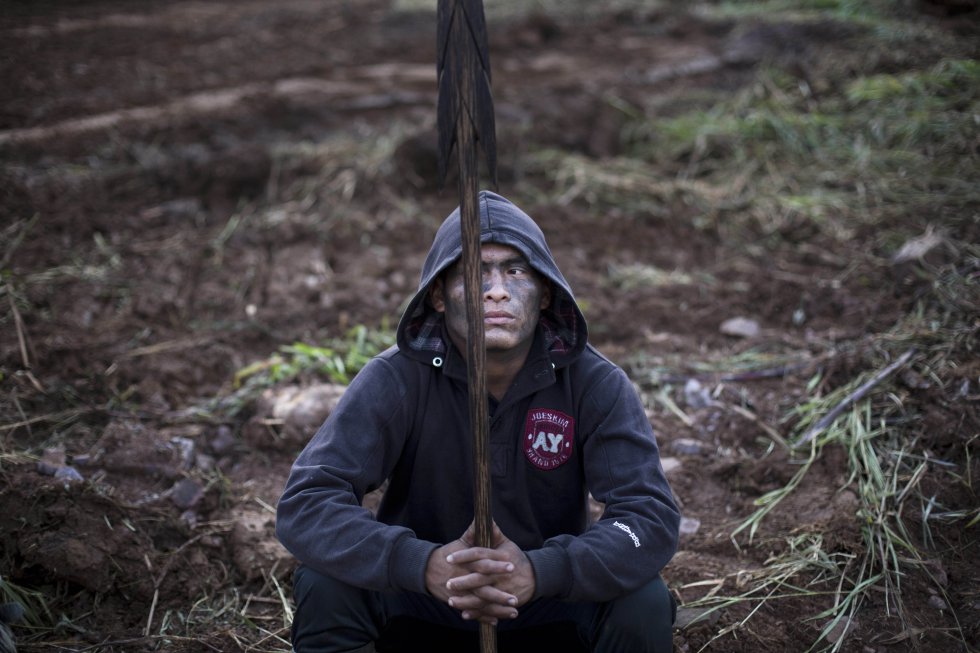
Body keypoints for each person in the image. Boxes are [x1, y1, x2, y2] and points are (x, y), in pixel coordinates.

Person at [276, 191, 681, 653]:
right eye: (474, 272)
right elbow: (307, 502)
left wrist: (541, 570)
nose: (497, 290)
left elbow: (648, 516)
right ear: (439, 296)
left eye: (516, 271)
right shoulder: (397, 379)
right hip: (421, 605)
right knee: (324, 585)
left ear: (545, 291)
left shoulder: (593, 384)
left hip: (547, 608)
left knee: (642, 599)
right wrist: (421, 563)